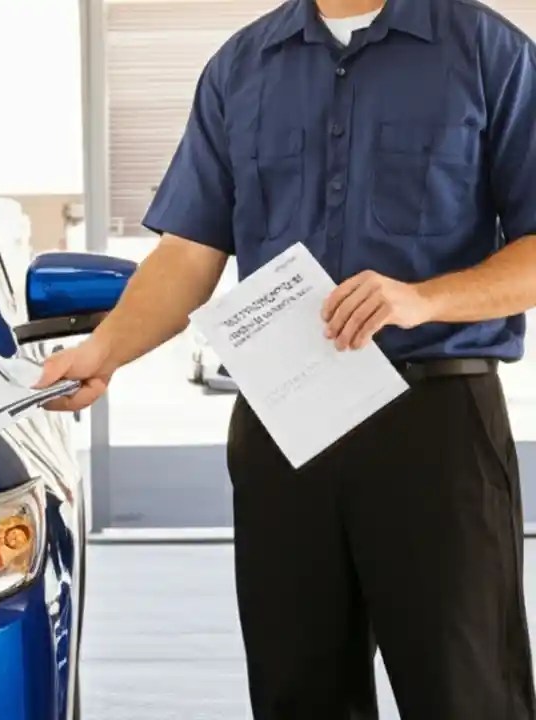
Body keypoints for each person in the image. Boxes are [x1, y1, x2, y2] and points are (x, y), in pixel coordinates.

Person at [37, 0, 536, 717]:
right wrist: (103, 351)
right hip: (284, 423)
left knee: (467, 691)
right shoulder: (242, 67)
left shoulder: (488, 52)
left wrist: (422, 299)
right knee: (297, 692)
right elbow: (189, 251)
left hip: (435, 426)